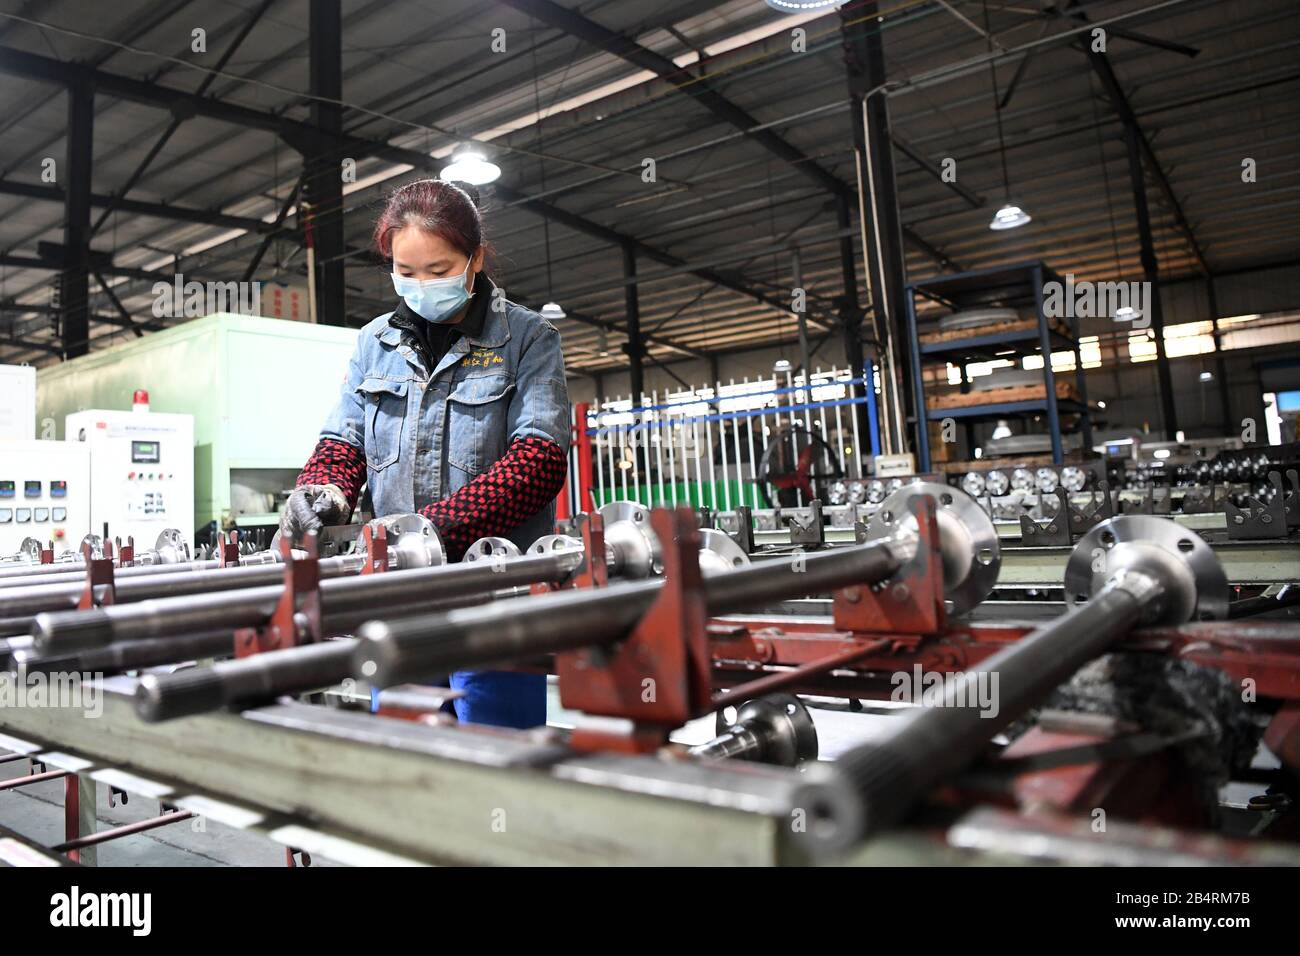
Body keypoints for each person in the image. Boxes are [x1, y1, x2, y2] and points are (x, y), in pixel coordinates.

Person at [280, 179, 570, 729]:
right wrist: (324, 489)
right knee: (404, 756)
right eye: (405, 273)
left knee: (494, 760)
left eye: (438, 272)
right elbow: (345, 439)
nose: (421, 286)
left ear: (474, 259)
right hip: (399, 599)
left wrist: (428, 531)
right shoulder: (374, 343)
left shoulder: (528, 338)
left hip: (494, 598)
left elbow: (539, 460)